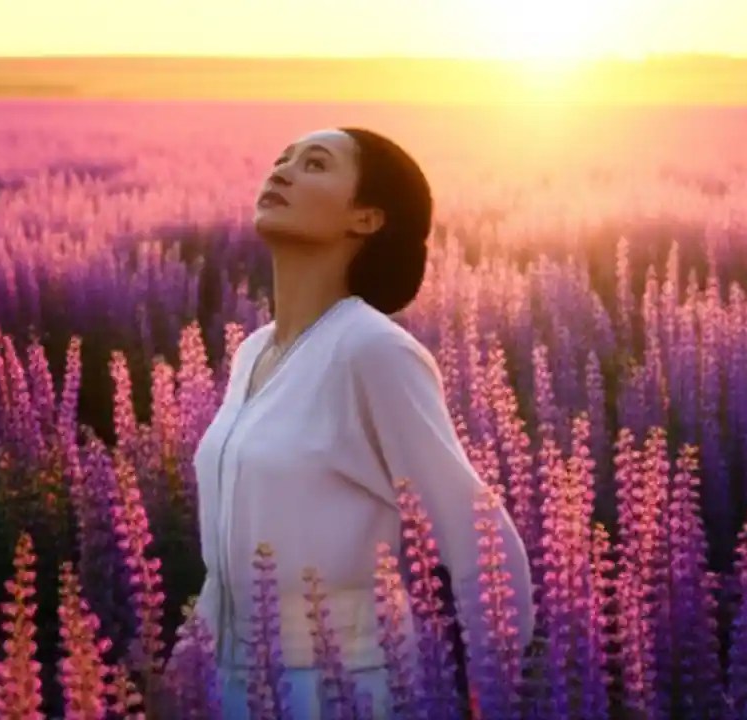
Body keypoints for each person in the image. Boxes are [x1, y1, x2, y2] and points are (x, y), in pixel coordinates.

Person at [178, 127, 535, 719]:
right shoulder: (253, 352)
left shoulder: (373, 350)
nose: (282, 171)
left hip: (343, 688)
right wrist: (186, 662)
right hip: (231, 686)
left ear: (366, 218)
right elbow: (228, 559)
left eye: (315, 164)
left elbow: (479, 537)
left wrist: (493, 695)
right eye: (282, 158)